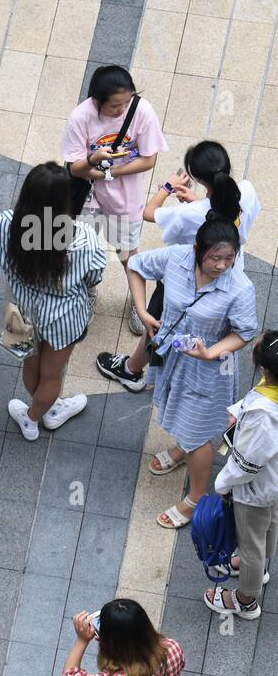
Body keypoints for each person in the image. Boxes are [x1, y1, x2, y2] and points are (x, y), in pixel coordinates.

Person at [0, 162, 107, 441]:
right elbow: (94, 276)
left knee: (29, 364)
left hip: (19, 310)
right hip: (65, 317)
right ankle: (38, 415)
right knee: (52, 375)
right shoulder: (84, 238)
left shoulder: (5, 225)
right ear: (64, 200)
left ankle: (36, 409)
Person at [124, 220, 257, 529]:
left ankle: (195, 498)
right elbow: (136, 266)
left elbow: (246, 332)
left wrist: (210, 352)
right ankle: (181, 448)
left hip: (208, 371)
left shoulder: (239, 288)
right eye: (215, 257)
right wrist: (144, 312)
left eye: (229, 258)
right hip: (173, 357)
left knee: (198, 437)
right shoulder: (177, 257)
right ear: (198, 250)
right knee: (183, 419)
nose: (222, 265)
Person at [100, 140, 262, 392]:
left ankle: (132, 370)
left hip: (186, 280)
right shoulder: (246, 192)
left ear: (197, 177)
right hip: (229, 277)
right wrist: (198, 201)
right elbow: (219, 210)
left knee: (159, 326)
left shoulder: (192, 215)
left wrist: (168, 187)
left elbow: (148, 212)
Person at [61, 65, 167, 335]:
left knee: (127, 252)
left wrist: (111, 172)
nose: (121, 111)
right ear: (96, 100)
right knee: (81, 250)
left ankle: (138, 301)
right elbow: (74, 167)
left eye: (126, 103)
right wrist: (95, 164)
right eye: (114, 106)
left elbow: (148, 159)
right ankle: (88, 294)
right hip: (86, 198)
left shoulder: (142, 111)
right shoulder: (80, 118)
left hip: (125, 198)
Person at [206, 331, 278, 619]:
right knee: (269, 525)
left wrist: (222, 483)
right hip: (273, 485)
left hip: (256, 489)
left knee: (249, 542)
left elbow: (247, 464)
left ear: (263, 368)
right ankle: (258, 568)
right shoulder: (271, 392)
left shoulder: (264, 415)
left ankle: (246, 600)